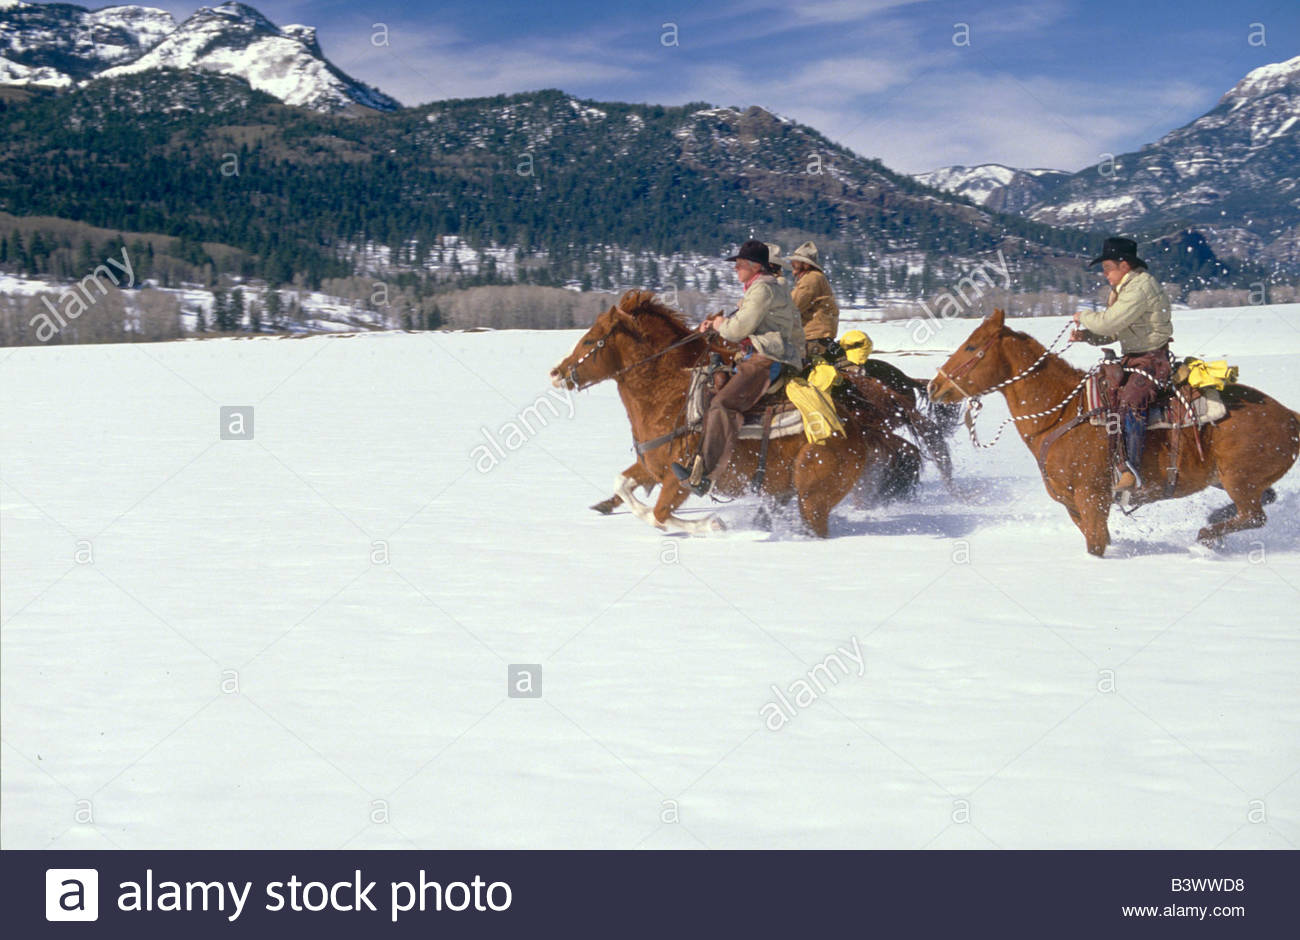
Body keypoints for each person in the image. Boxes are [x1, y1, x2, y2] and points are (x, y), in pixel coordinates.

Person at [673, 239, 803, 495]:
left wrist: (721, 324)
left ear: (755, 266)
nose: (736, 269)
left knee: (724, 405)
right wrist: (715, 325)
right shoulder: (758, 288)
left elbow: (737, 329)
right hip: (758, 354)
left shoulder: (762, 290)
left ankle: (704, 476)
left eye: (740, 264)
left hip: (768, 358)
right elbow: (740, 322)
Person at [1071, 237, 1173, 492]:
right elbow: (1114, 332)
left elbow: (1108, 323)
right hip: (1134, 357)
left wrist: (1083, 316)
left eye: (1107, 268)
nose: (1105, 275)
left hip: (1151, 360)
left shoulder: (1139, 288)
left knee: (1130, 401)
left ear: (1124, 266)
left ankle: (1130, 469)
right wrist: (1087, 336)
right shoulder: (1126, 288)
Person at [788, 241, 839, 360]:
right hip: (817, 336)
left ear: (805, 264)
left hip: (813, 338)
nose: (792, 264)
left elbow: (792, 306)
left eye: (796, 262)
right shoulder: (813, 277)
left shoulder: (811, 279)